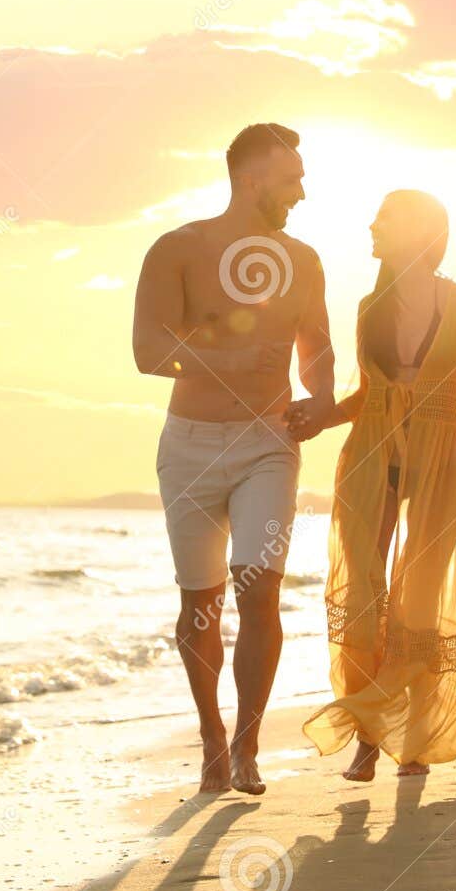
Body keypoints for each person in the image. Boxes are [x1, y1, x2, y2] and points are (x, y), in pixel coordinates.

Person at [131, 123, 335, 794]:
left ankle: (247, 745)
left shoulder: (303, 262)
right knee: (200, 604)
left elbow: (319, 347)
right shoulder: (177, 250)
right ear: (252, 180)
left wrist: (323, 393)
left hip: (267, 446)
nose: (302, 192)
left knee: (260, 588)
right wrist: (228, 360)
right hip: (188, 445)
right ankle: (211, 737)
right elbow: (148, 351)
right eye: (292, 179)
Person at [287, 189, 456, 781]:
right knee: (365, 588)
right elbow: (368, 396)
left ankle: (410, 737)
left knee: (418, 594)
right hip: (372, 452)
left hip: (444, 454)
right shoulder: (370, 306)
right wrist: (320, 417)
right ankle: (366, 737)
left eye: (383, 219)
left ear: (417, 231)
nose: (371, 226)